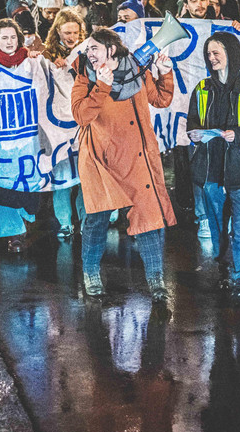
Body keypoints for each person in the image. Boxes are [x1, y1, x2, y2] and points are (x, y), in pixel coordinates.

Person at [72, 29, 177, 303]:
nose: (89, 54)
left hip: (136, 157)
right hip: (101, 159)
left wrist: (164, 73)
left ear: (112, 50)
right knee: (96, 219)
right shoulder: (85, 75)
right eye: (88, 49)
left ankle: (156, 279)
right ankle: (91, 274)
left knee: (148, 219)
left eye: (94, 48)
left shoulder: (137, 71)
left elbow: (161, 100)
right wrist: (102, 86)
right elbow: (82, 115)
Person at [185, 32, 240, 300]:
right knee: (216, 225)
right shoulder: (201, 88)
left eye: (216, 53)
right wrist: (194, 133)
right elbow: (192, 122)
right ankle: (224, 267)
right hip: (210, 168)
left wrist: (239, 135)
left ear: (231, 54)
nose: (212, 58)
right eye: (209, 54)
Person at [0, 19, 42, 253]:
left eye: (13, 37)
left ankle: (26, 213)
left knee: (29, 183)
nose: (9, 42)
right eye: (4, 38)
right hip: (1, 137)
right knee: (2, 183)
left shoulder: (33, 63)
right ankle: (12, 234)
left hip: (29, 135)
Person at [43, 10, 88, 238]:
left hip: (82, 123)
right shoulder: (48, 54)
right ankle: (64, 223)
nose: (71, 37)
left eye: (75, 32)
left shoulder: (89, 52)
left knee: (84, 176)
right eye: (66, 32)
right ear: (57, 32)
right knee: (61, 176)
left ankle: (85, 219)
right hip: (59, 127)